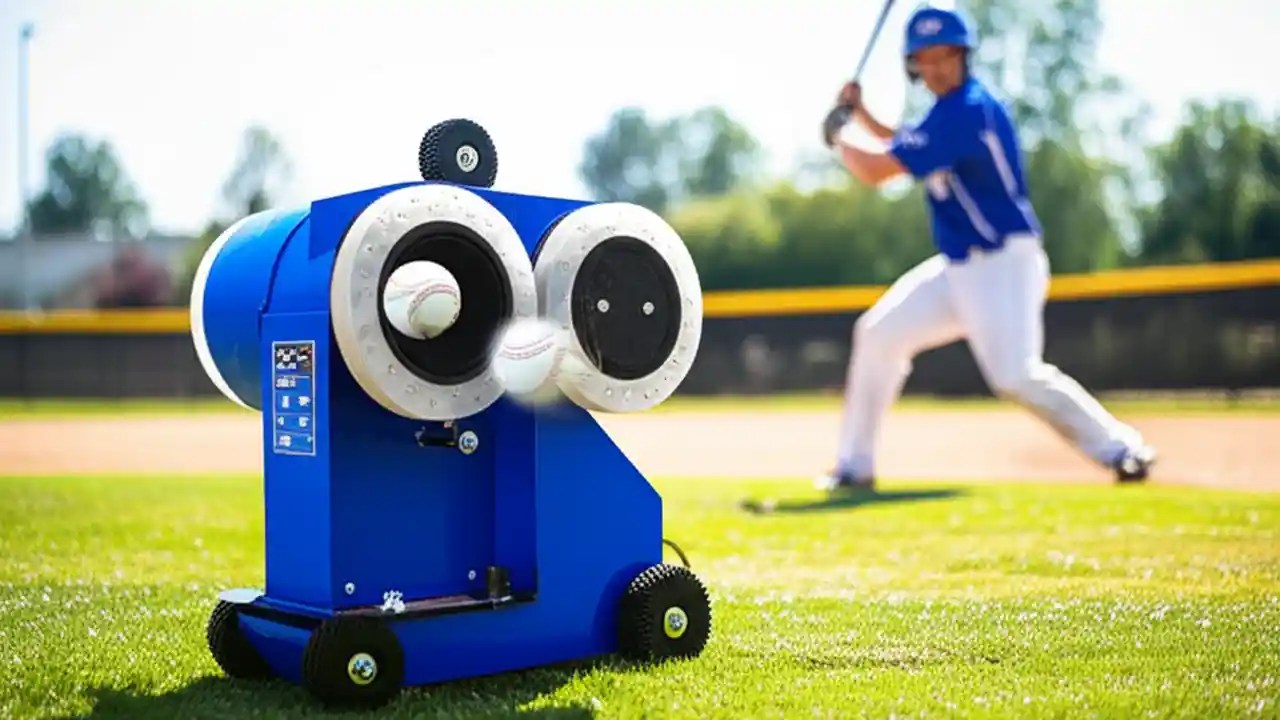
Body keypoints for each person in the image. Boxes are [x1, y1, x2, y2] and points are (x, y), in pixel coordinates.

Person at [816, 4, 1156, 492]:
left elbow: (877, 169)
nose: (935, 67)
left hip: (1003, 264)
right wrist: (862, 114)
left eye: (945, 55)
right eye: (925, 58)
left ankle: (1123, 448)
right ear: (913, 66)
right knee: (877, 334)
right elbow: (905, 140)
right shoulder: (945, 114)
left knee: (1015, 376)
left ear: (964, 57)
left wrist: (840, 135)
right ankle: (854, 466)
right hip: (958, 269)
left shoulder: (968, 110)